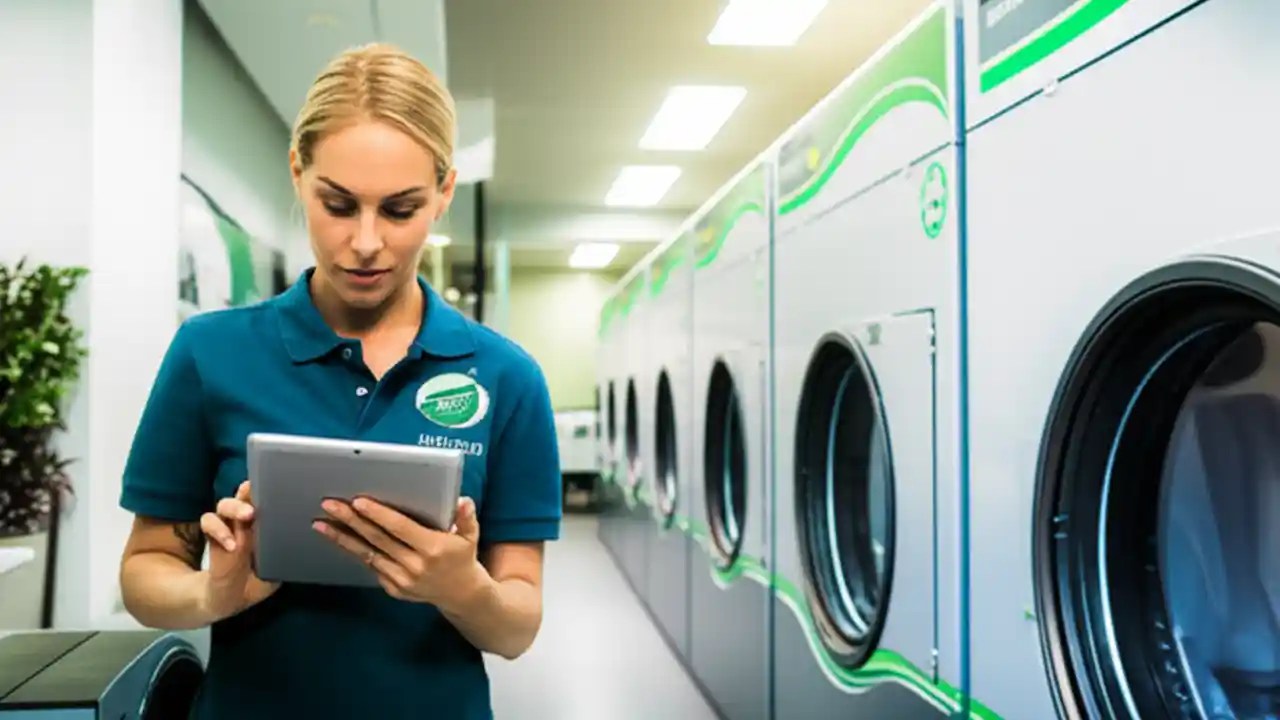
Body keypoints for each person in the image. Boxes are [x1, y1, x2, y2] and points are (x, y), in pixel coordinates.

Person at [116, 42, 562, 719]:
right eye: (338, 203)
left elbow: (517, 625)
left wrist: (461, 588)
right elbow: (145, 572)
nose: (364, 242)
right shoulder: (209, 354)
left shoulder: (506, 377)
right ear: (298, 172)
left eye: (399, 209)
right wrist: (217, 592)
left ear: (444, 191)